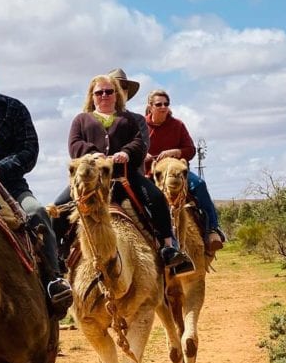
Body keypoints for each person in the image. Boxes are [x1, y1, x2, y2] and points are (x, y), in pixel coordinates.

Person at [0, 51, 73, 317]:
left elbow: (29, 151)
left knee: (37, 213)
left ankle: (54, 280)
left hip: (9, 185)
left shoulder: (14, 108)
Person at [66, 74, 194, 271]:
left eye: (109, 91)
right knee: (58, 208)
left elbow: (140, 142)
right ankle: (57, 261)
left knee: (157, 198)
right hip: (92, 179)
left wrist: (126, 153)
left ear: (116, 95)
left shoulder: (130, 119)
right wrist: (93, 154)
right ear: (92, 96)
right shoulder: (81, 120)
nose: (104, 95)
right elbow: (74, 144)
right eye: (99, 92)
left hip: (124, 176)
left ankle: (169, 248)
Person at [143, 89, 225, 254]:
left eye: (166, 104)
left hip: (177, 172)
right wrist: (144, 155)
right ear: (150, 106)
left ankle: (212, 230)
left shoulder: (177, 125)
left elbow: (190, 150)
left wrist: (175, 152)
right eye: (159, 104)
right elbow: (135, 147)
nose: (163, 107)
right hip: (153, 174)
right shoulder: (141, 125)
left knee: (200, 185)